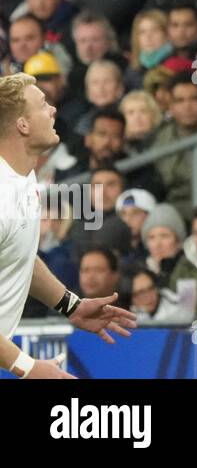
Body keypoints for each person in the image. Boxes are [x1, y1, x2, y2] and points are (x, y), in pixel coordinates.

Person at [0, 72, 136, 379]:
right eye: (43, 104)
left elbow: (16, 255)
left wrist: (71, 305)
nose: (53, 110)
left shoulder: (21, 177)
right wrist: (27, 367)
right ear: (22, 124)